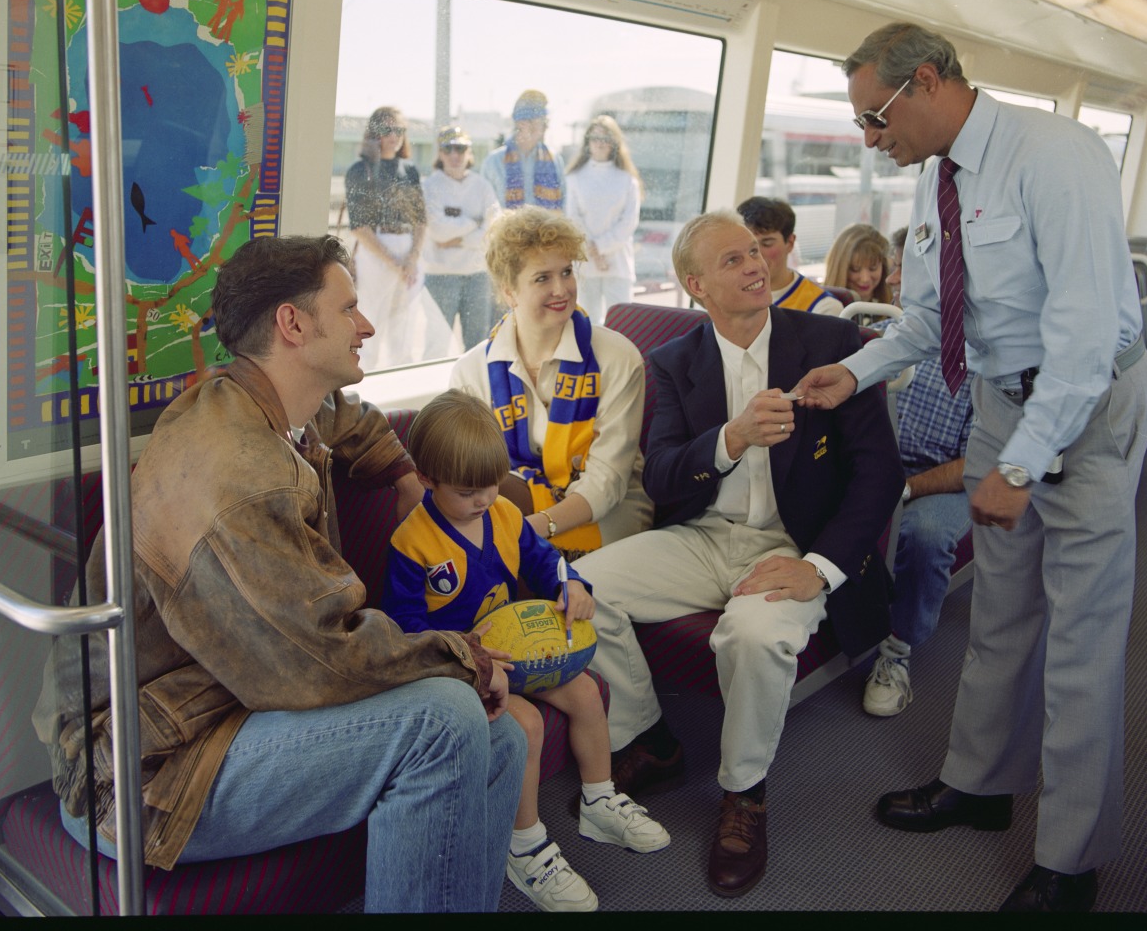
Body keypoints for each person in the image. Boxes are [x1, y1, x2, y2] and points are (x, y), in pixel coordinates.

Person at [31, 235, 525, 912]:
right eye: (348, 308)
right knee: (444, 721)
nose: (366, 325)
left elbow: (347, 419)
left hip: (217, 708)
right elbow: (316, 659)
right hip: (137, 768)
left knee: (502, 737)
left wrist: (406, 478)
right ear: (292, 324)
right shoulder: (237, 475)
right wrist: (462, 656)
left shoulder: (263, 402)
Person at [796, 22, 1147, 913]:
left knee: (1081, 638)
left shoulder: (1055, 156)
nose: (869, 139)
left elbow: (1086, 336)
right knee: (1001, 612)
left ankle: (1070, 860)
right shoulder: (940, 178)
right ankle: (982, 784)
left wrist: (1020, 466)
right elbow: (927, 320)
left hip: (1085, 407)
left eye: (876, 118)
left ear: (925, 81)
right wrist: (854, 371)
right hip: (1000, 399)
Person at [578, 210, 904, 899]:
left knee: (753, 635)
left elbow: (880, 475)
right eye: (733, 259)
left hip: (796, 544)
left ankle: (744, 793)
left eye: (756, 250)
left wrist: (817, 569)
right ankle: (652, 738)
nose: (756, 264)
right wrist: (730, 439)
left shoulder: (832, 341)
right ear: (696, 285)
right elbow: (664, 478)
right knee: (577, 587)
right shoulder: (674, 361)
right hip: (704, 538)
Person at [383, 391, 670, 913]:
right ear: (426, 479)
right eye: (467, 492)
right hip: (461, 671)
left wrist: (571, 584)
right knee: (527, 726)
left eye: (491, 485)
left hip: (519, 650)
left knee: (587, 692)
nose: (483, 500)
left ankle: (599, 799)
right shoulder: (411, 543)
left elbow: (547, 563)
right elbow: (405, 629)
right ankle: (524, 844)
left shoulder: (506, 514)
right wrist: (466, 659)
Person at [451, 206, 653, 555]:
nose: (562, 289)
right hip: (515, 503)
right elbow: (471, 476)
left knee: (509, 554)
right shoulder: (471, 372)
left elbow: (607, 480)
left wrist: (531, 529)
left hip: (608, 511)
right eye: (542, 278)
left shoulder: (619, 358)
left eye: (567, 272)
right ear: (509, 291)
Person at [861, 225, 975, 718]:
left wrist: (903, 489)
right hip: (880, 468)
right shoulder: (880, 337)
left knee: (924, 535)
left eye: (908, 270)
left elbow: (978, 463)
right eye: (898, 268)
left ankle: (897, 648)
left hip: (943, 479)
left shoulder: (983, 360)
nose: (895, 280)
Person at [341, 105, 427, 369]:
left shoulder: (409, 170)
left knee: (404, 330)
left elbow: (421, 220)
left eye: (400, 129)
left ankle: (400, 381)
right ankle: (366, 382)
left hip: (409, 251)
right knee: (371, 324)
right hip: (376, 253)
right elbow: (359, 226)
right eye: (388, 129)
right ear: (374, 131)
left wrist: (411, 259)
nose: (395, 135)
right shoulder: (360, 170)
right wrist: (395, 262)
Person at [422, 125, 501, 350]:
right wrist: (475, 222)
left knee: (478, 344)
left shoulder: (482, 186)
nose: (454, 155)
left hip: (477, 275)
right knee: (436, 345)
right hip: (440, 275)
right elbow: (437, 230)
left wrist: (459, 239)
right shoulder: (429, 186)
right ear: (440, 153)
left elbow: (494, 229)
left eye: (460, 148)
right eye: (448, 149)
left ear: (469, 152)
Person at [565, 115, 642, 323]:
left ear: (614, 143)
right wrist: (593, 252)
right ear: (587, 142)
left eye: (605, 139)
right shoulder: (574, 178)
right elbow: (573, 220)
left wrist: (600, 248)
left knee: (622, 324)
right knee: (587, 324)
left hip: (618, 263)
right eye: (595, 138)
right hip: (586, 263)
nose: (600, 143)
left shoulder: (627, 180)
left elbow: (629, 222)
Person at [737, 195, 844, 315]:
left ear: (790, 243)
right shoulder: (730, 297)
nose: (757, 255)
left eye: (767, 244)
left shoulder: (822, 308)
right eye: (749, 246)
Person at [481, 89, 566, 211]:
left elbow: (563, 205)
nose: (545, 127)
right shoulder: (493, 162)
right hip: (506, 224)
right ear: (520, 123)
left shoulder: (555, 160)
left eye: (545, 121)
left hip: (547, 224)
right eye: (539, 121)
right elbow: (485, 208)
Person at [823, 222, 894, 306]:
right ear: (838, 269)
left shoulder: (895, 304)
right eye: (855, 269)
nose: (865, 279)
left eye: (873, 268)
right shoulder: (824, 307)